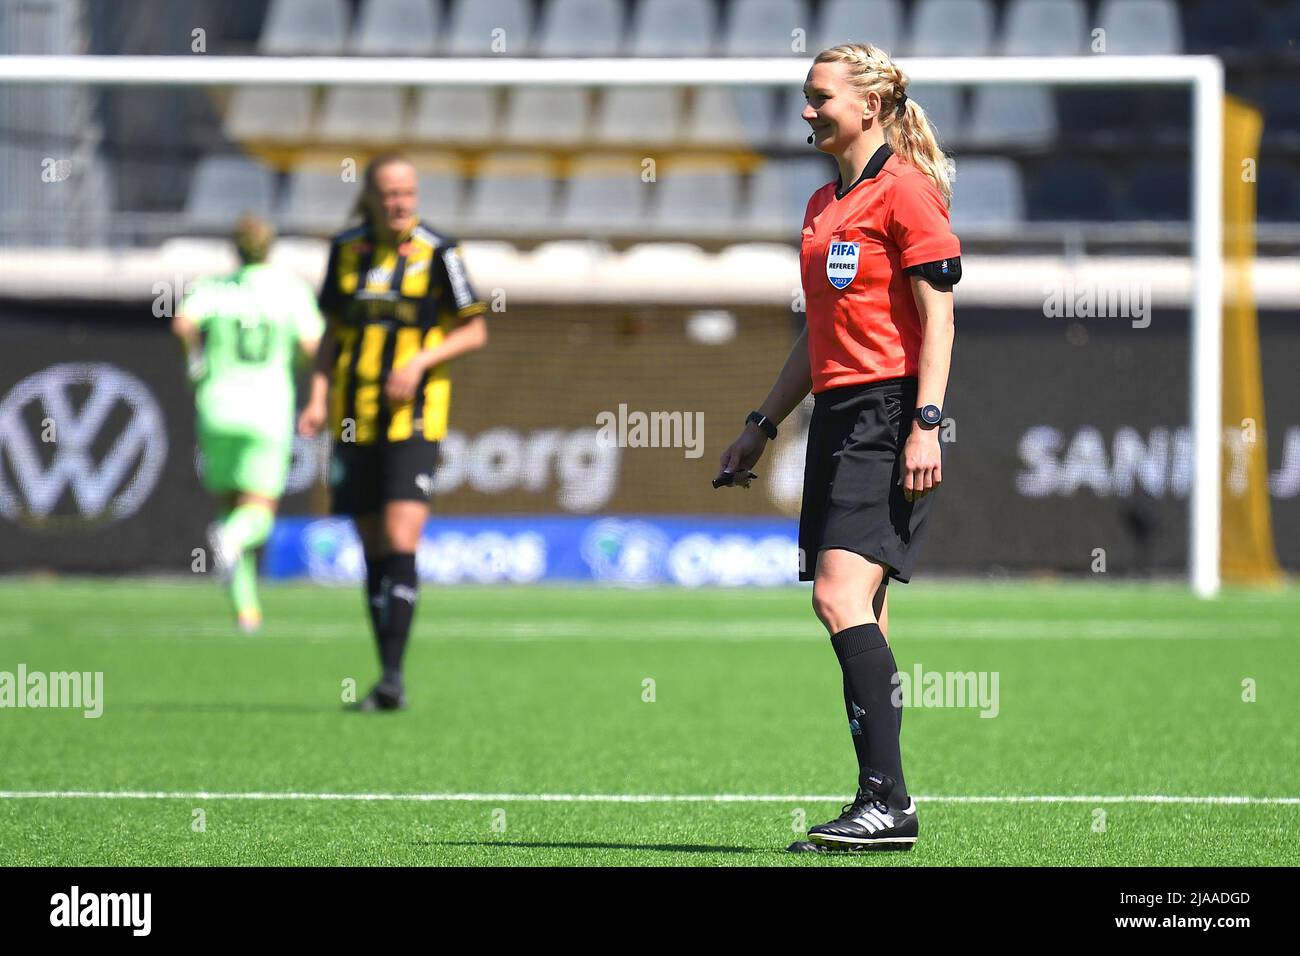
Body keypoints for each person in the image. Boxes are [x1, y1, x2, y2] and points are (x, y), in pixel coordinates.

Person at [718, 43, 961, 851]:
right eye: (804, 95)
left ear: (868, 103)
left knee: (837, 598)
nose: (807, 110)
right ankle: (885, 804)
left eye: (819, 97)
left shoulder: (908, 193)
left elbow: (940, 321)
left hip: (888, 415)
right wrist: (762, 423)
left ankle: (887, 803)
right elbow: (815, 337)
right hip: (837, 417)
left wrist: (926, 423)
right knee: (866, 612)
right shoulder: (824, 202)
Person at [297, 154, 488, 712]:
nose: (400, 203)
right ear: (371, 197)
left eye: (408, 192)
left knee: (402, 538)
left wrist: (420, 360)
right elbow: (332, 333)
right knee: (373, 546)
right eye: (389, 194)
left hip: (416, 420)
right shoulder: (346, 250)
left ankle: (394, 678)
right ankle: (384, 675)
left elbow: (474, 330)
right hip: (352, 418)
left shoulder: (440, 252)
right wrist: (315, 395)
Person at [172, 213, 324, 633]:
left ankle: (246, 610)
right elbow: (313, 344)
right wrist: (298, 367)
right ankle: (233, 542)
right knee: (256, 514)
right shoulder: (290, 289)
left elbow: (183, 322)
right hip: (267, 410)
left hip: (216, 407)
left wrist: (196, 363)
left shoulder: (214, 288)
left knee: (228, 506)